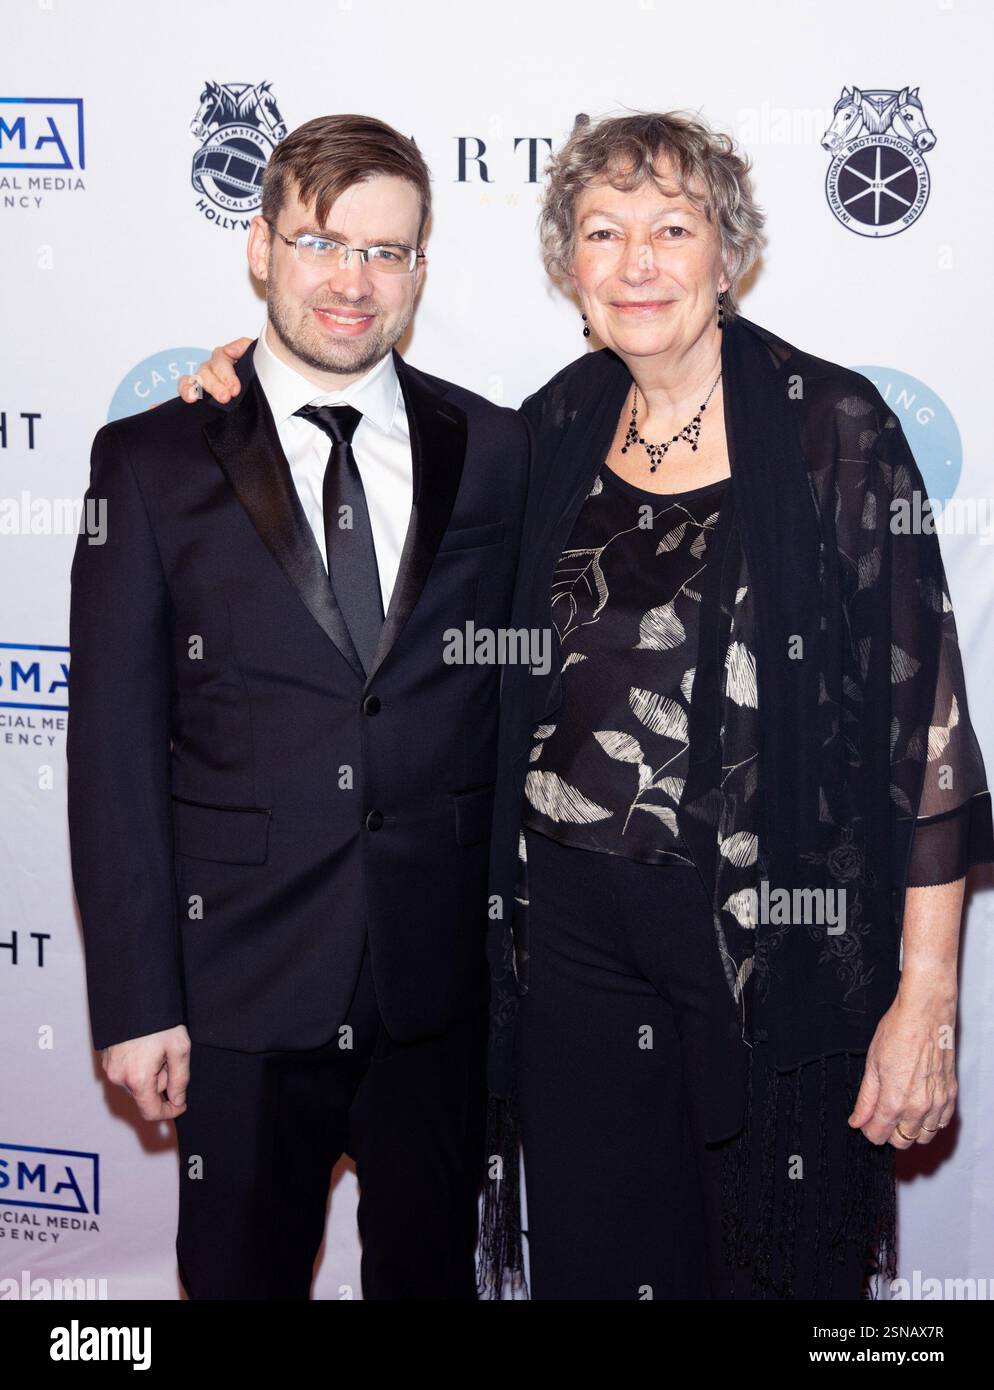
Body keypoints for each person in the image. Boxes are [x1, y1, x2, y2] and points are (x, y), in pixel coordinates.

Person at [178, 110, 994, 1300]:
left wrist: (926, 998)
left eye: (674, 226)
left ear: (731, 251)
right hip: (565, 947)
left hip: (763, 946)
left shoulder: (834, 430)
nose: (638, 262)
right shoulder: (548, 428)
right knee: (599, 1265)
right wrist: (247, 381)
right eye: (602, 232)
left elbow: (926, 737)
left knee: (772, 1265)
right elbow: (374, 428)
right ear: (569, 266)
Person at [67, 113, 530, 1300]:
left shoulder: (496, 449)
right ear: (262, 247)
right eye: (324, 241)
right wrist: (135, 1003)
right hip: (236, 983)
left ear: (421, 270)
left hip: (435, 988)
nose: (353, 280)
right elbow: (112, 755)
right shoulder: (151, 462)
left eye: (387, 251)